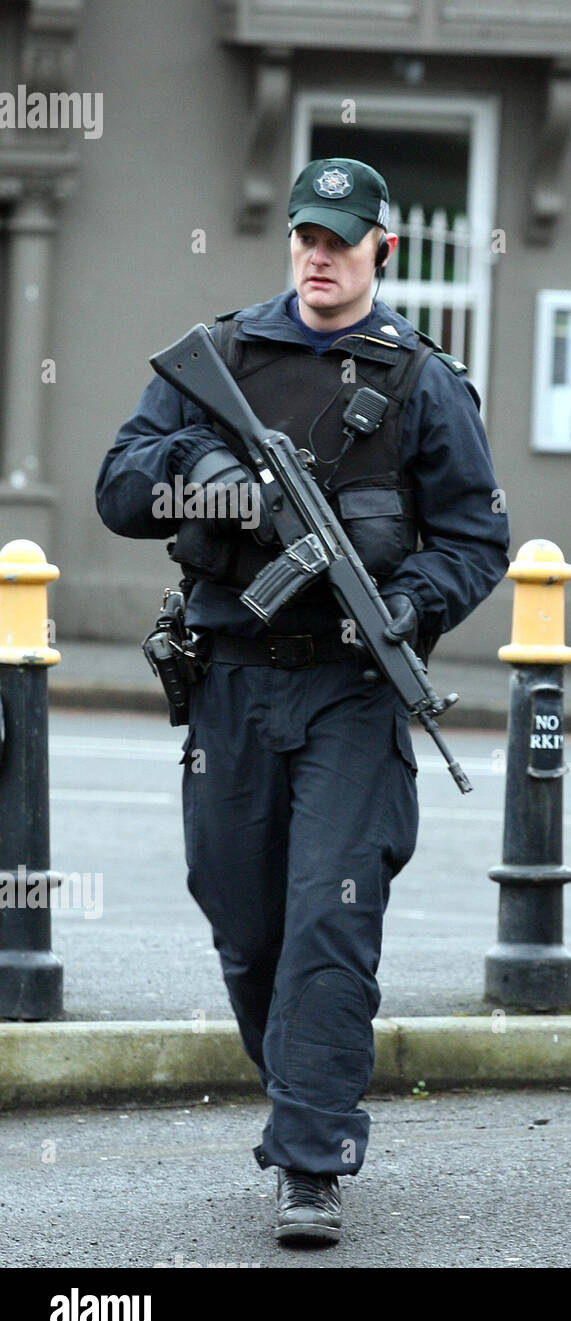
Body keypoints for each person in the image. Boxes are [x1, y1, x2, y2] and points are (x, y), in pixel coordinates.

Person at [96, 158, 510, 1240]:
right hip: (229, 681)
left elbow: (476, 538)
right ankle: (299, 1089)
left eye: (341, 240)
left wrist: (407, 603)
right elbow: (120, 488)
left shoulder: (422, 382)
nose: (319, 257)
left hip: (351, 688)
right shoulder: (221, 355)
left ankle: (310, 1158)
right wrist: (215, 482)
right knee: (244, 924)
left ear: (384, 249)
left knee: (331, 918)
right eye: (306, 238)